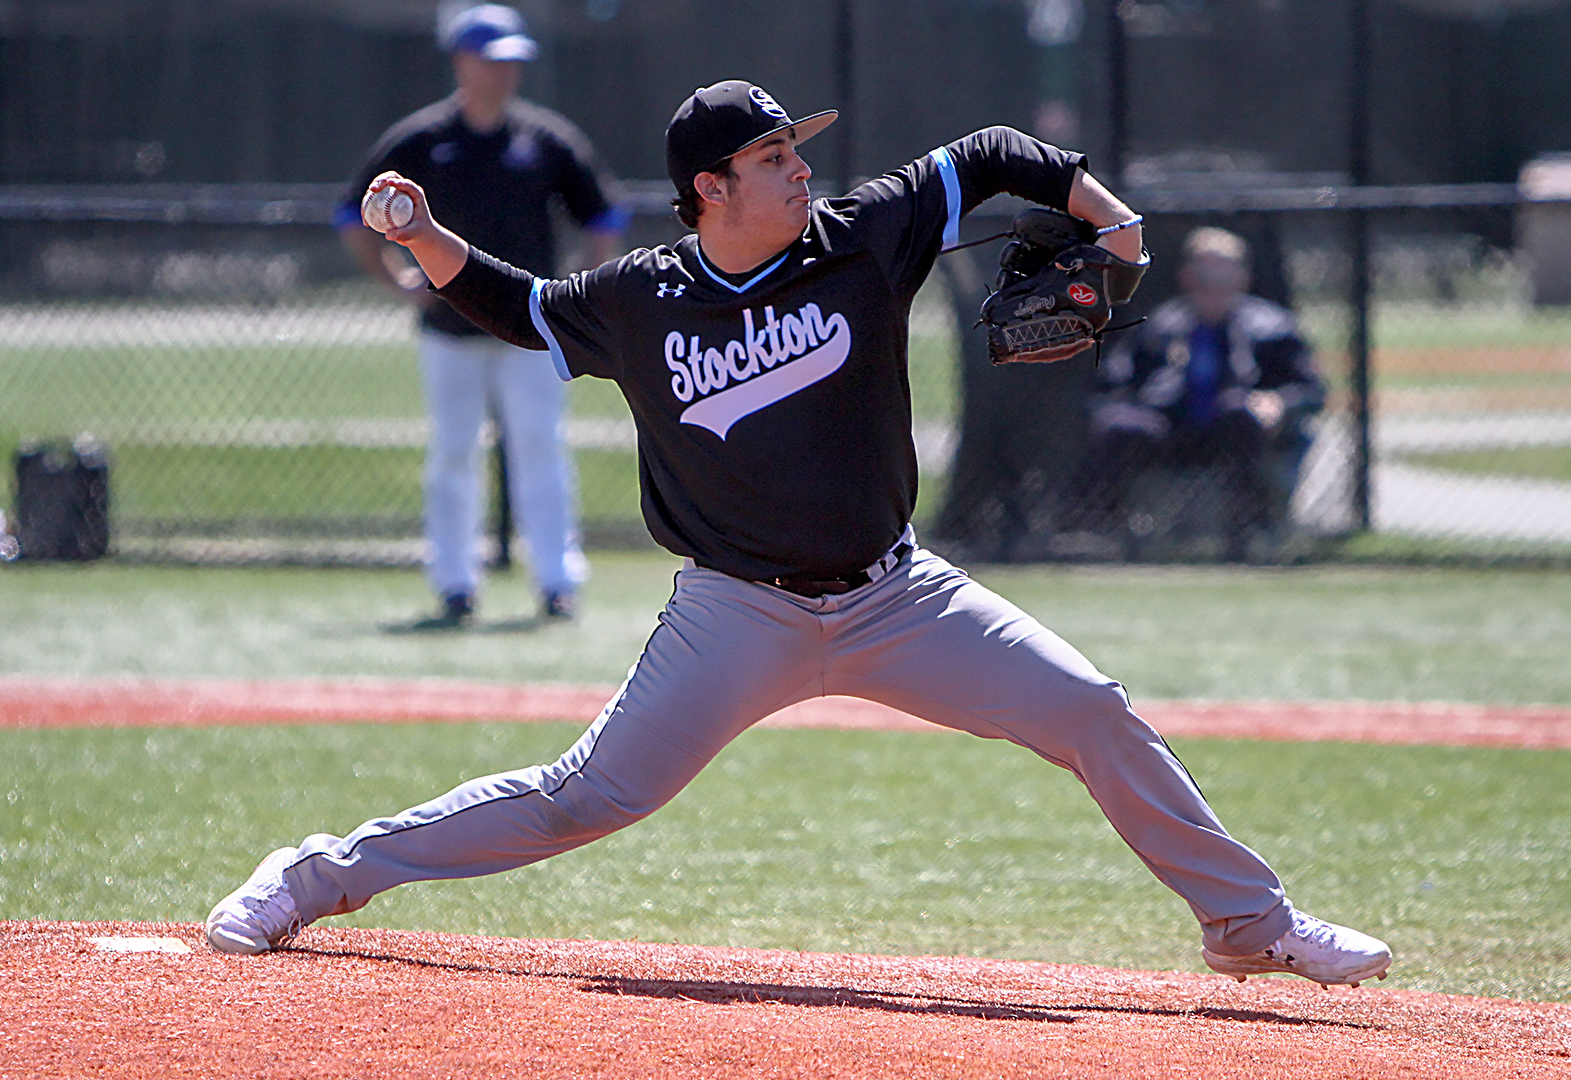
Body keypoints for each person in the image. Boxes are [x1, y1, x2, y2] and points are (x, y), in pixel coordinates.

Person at [210, 81, 1391, 987]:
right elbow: (517, 308)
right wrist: (420, 233)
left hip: (898, 595)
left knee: (1090, 708)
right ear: (709, 189)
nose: (802, 168)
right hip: (738, 608)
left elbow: (987, 157)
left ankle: (1249, 925)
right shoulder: (644, 297)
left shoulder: (860, 235)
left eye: (797, 149)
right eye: (774, 157)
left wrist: (1109, 214)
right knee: (586, 796)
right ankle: (320, 875)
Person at [338, 4, 627, 627]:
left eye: (512, 61)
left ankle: (557, 582)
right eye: (492, 59)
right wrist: (399, 283)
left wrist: (577, 289)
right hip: (449, 330)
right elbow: (352, 219)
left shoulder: (545, 139)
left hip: (531, 332)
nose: (504, 72)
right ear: (461, 61)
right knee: (451, 454)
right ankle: (454, 583)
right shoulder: (421, 139)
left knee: (541, 450)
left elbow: (602, 217)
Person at [1087, 227, 1325, 560]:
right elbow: (1116, 382)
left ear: (1242, 278)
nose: (1214, 288)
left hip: (1236, 433)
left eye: (1223, 277)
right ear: (1187, 277)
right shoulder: (1161, 326)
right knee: (1121, 426)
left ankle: (1246, 537)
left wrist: (1278, 403)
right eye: (1204, 278)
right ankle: (1106, 537)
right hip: (1172, 429)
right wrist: (1123, 410)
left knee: (1238, 412)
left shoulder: (1272, 329)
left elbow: (1313, 391)